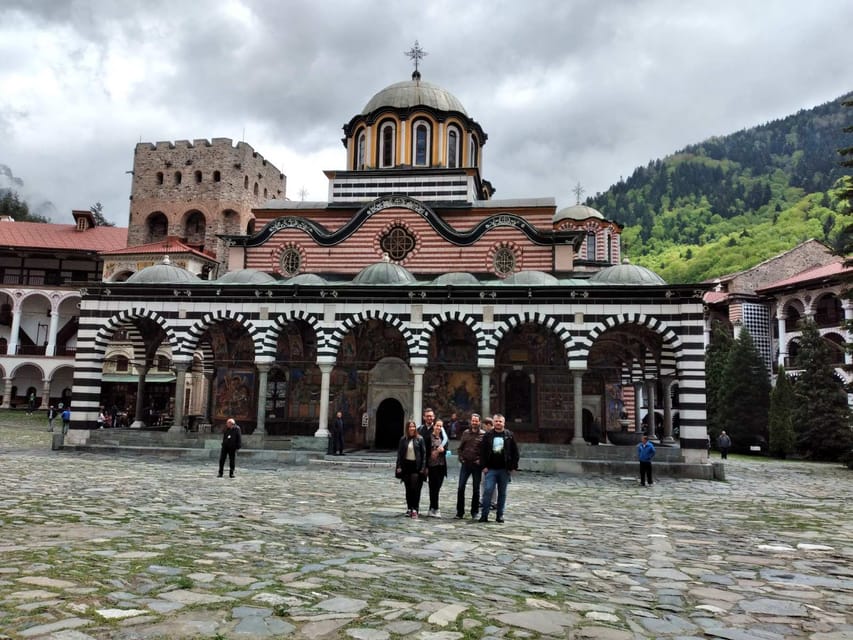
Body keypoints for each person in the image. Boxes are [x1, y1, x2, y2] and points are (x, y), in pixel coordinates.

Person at [479, 414, 520, 523]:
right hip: (490, 469)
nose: (498, 423)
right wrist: (483, 466)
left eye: (500, 421)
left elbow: (515, 452)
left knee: (502, 493)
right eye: (496, 421)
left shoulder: (509, 435)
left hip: (504, 469)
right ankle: (484, 514)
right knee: (488, 490)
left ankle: (500, 515)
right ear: (493, 422)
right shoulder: (488, 435)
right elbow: (482, 452)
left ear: (503, 423)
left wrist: (513, 467)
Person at [456, 413, 485, 520]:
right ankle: (460, 512)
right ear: (470, 421)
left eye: (476, 421)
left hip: (476, 466)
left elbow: (485, 451)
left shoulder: (483, 435)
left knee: (476, 489)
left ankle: (474, 511)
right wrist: (461, 458)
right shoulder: (466, 433)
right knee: (460, 487)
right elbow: (460, 448)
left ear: (479, 422)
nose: (474, 423)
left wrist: (480, 461)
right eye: (473, 421)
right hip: (466, 464)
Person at [396, 420, 427, 519]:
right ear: (407, 428)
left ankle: (415, 509)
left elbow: (424, 455)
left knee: (415, 488)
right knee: (408, 488)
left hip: (416, 466)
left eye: (413, 426)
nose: (412, 428)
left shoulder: (420, 439)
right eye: (410, 426)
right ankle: (409, 508)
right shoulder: (403, 439)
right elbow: (400, 454)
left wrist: (423, 467)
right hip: (406, 466)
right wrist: (399, 466)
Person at [426, 419, 448, 517]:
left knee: (437, 487)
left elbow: (446, 449)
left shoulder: (443, 438)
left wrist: (443, 450)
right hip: (432, 465)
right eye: (437, 425)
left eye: (440, 426)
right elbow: (425, 451)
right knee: (433, 487)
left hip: (441, 466)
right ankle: (435, 508)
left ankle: (432, 507)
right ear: (434, 426)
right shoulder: (428, 437)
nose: (438, 427)